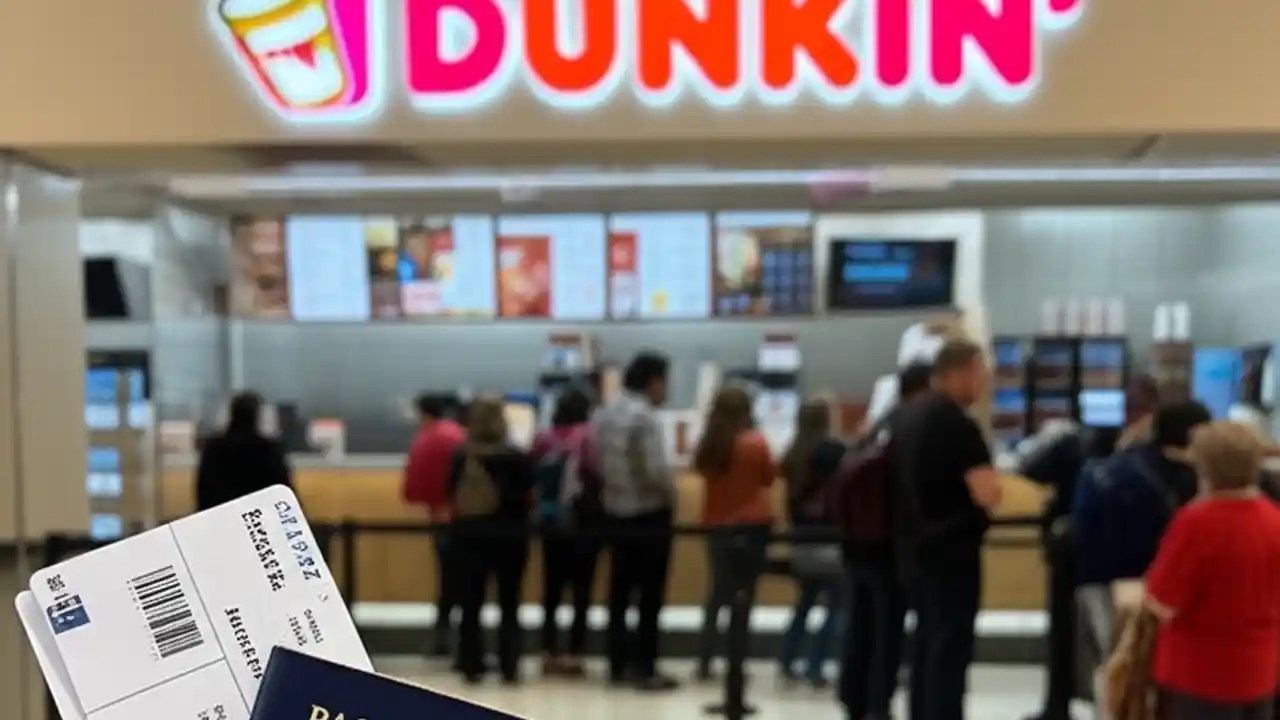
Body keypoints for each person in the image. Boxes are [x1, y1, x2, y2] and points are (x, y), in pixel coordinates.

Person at [1071, 400, 1211, 696]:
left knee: (1114, 667)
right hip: (1140, 589)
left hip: (1095, 579)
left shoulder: (1116, 465)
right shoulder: (1182, 479)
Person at [895, 341, 1002, 720]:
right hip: (954, 551)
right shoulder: (957, 424)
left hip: (914, 549)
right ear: (964, 371)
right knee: (950, 650)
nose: (984, 384)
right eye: (981, 374)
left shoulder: (908, 417)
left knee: (926, 645)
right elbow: (988, 493)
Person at [1145, 421, 1280, 720]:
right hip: (1261, 670)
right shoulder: (1274, 519)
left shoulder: (1195, 524)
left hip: (1200, 673)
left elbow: (1162, 603)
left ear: (1204, 467)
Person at [840, 362, 932, 720]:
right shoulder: (910, 427)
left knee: (860, 626)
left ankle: (855, 698)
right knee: (887, 633)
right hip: (887, 546)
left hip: (857, 543)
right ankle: (879, 705)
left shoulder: (876, 425)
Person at [593, 351, 680, 691]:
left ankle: (616, 663)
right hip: (649, 514)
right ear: (653, 381)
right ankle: (644, 666)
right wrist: (671, 493)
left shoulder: (604, 412)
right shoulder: (645, 417)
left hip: (614, 510)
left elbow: (596, 460)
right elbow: (654, 469)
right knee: (649, 596)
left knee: (619, 591)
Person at [448, 396, 536, 685]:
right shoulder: (515, 456)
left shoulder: (462, 455)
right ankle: (510, 664)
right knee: (509, 603)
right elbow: (527, 495)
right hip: (509, 538)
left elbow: (450, 493)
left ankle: (471, 663)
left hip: (469, 537)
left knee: (470, 604)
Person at [694, 385, 777, 682]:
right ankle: (735, 661)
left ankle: (704, 659)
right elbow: (768, 478)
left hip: (716, 523)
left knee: (717, 593)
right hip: (752, 523)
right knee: (744, 596)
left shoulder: (710, 446)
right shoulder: (755, 443)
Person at [531, 387, 599, 677]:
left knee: (552, 589)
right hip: (583, 521)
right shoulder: (588, 436)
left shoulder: (543, 439)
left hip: (550, 522)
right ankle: (574, 652)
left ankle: (548, 651)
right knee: (581, 590)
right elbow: (597, 473)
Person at [779, 399, 846, 689]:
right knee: (838, 606)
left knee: (804, 603)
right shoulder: (834, 454)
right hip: (831, 544)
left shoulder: (791, 456)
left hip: (802, 543)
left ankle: (787, 658)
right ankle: (816, 665)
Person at [402, 393, 466, 657]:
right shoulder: (460, 435)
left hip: (441, 518)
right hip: (472, 519)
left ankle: (442, 639)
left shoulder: (427, 438)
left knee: (448, 581)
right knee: (466, 584)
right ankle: (466, 643)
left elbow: (412, 489)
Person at [196, 391, 292, 511]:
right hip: (260, 517)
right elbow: (282, 489)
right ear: (256, 416)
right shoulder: (268, 448)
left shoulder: (214, 447)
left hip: (221, 515)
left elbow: (204, 489)